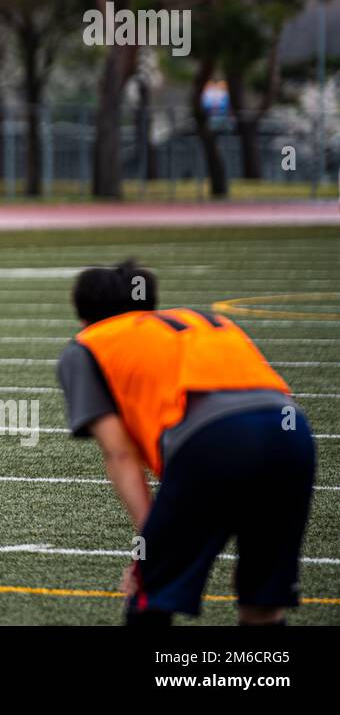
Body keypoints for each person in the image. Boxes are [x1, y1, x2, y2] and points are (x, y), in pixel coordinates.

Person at [57, 261, 316, 626]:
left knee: (151, 597)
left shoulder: (88, 344)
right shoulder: (202, 320)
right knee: (263, 601)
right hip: (292, 436)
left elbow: (119, 453)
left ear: (84, 317)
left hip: (212, 441)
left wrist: (149, 544)